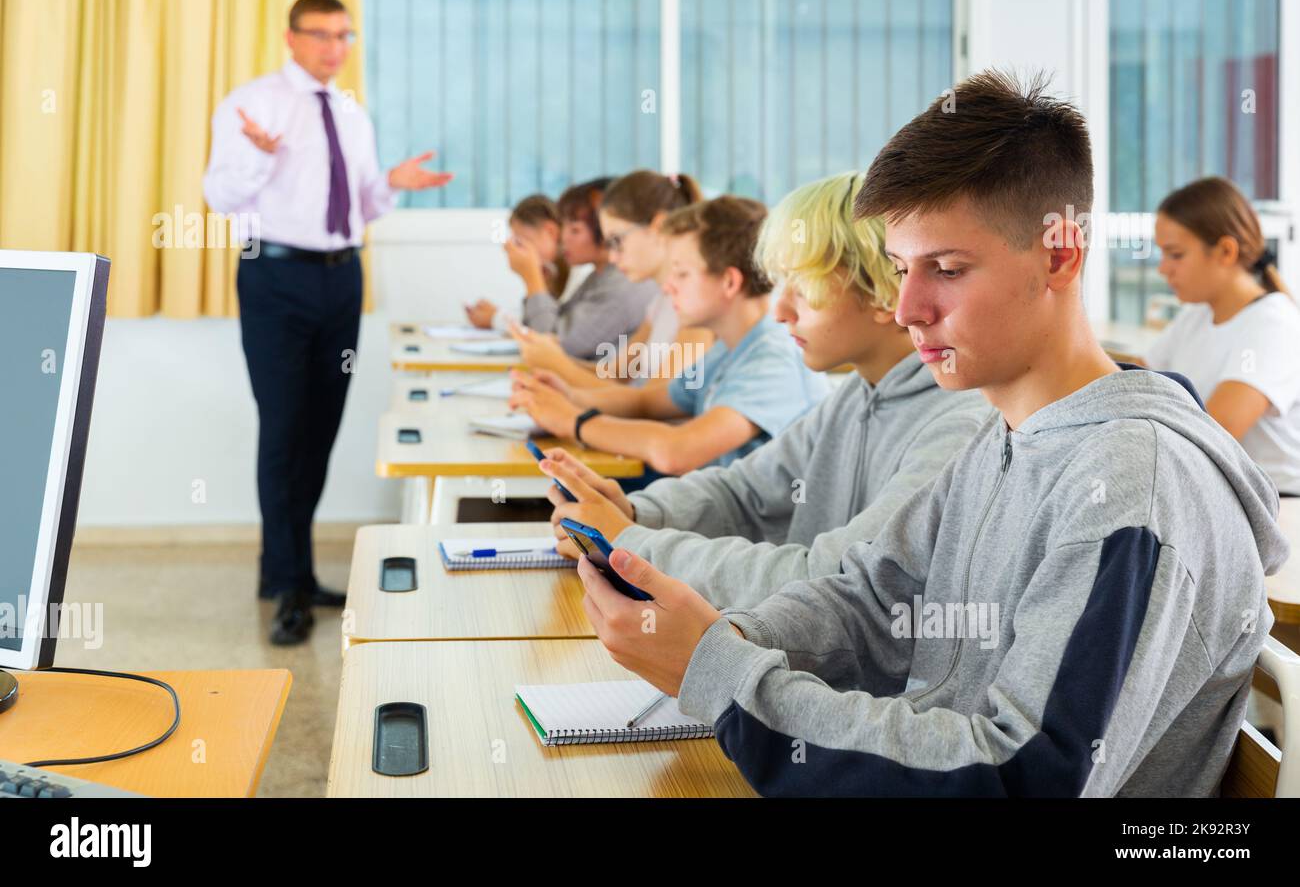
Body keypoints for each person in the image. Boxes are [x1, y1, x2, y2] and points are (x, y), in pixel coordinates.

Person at [569, 70, 1287, 796]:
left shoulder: (1131, 492)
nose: (907, 308)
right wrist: (734, 642)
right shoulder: (1004, 433)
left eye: (945, 269)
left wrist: (725, 677)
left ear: (1059, 257)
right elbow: (878, 602)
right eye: (898, 269)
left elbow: (1026, 777)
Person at [535, 171, 989, 608]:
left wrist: (630, 542)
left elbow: (830, 576)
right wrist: (635, 513)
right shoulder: (856, 393)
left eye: (804, 287)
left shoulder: (954, 425)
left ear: (884, 289)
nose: (781, 311)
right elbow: (743, 493)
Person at [203, 0, 453, 645]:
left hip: (343, 278)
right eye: (321, 35)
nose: (334, 48)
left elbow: (361, 204)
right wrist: (262, 152)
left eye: (345, 35)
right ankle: (287, 583)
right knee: (283, 429)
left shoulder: (350, 112)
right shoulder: (251, 103)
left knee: (320, 428)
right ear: (291, 38)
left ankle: (290, 569)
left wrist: (392, 181)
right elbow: (220, 195)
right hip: (276, 278)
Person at [510, 196, 828, 475]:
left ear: (729, 283)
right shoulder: (731, 349)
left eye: (682, 273)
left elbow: (676, 452)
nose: (667, 286)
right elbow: (646, 401)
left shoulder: (773, 358)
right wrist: (567, 395)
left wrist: (573, 421)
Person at [1145, 176, 1300, 496]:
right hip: (1219, 494)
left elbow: (1213, 434)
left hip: (1277, 507)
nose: (1163, 269)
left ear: (1226, 251)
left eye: (1175, 254)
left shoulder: (1273, 325)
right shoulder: (1197, 316)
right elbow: (1136, 379)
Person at [510, 169, 712, 390]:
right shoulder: (661, 302)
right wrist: (552, 360)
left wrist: (557, 363)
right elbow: (615, 374)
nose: (613, 257)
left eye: (617, 241)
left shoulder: (695, 310)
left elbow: (652, 403)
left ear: (658, 227)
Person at [496, 177, 658, 360]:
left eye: (575, 230)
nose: (563, 238)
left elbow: (553, 346)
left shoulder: (622, 285)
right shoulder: (597, 277)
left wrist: (532, 278)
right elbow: (543, 330)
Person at [464, 194, 577, 331]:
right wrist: (495, 315)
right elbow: (534, 318)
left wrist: (495, 318)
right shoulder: (551, 271)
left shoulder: (579, 273)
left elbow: (548, 330)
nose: (517, 250)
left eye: (521, 241)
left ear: (550, 231)